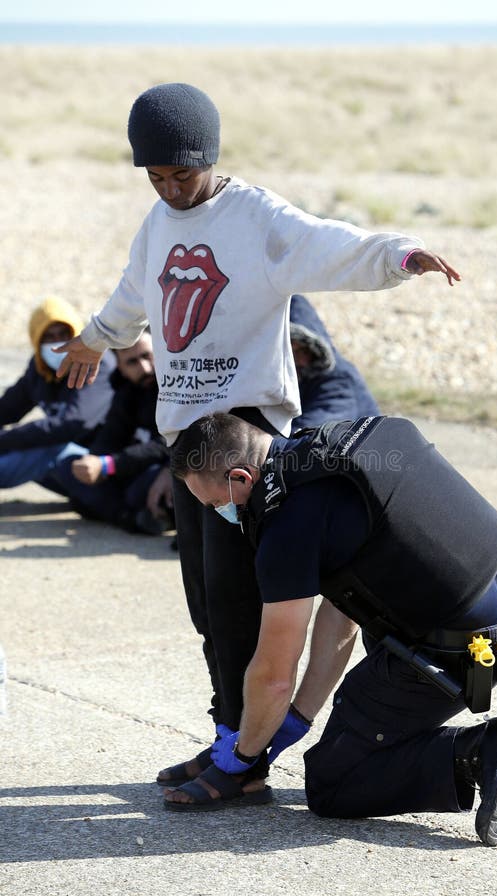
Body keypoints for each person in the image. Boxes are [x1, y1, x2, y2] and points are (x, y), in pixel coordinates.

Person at [54, 82, 461, 798]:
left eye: (182, 174)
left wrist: (401, 254)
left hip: (246, 441)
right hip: (188, 443)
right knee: (209, 606)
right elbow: (132, 296)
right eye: (156, 177)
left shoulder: (255, 216)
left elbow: (329, 244)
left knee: (243, 601)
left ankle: (244, 765)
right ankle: (226, 738)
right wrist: (93, 338)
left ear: (209, 157)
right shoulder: (156, 223)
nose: (172, 189)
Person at [167, 412, 497, 846]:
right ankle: (399, 733)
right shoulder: (338, 446)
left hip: (467, 649)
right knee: (372, 667)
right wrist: (297, 720)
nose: (220, 514)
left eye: (215, 504)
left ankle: (481, 748)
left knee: (331, 782)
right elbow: (345, 614)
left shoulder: (287, 525)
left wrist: (242, 758)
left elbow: (274, 674)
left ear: (241, 477)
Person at [55, 330, 172, 534]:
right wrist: (94, 463)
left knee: (134, 492)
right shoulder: (125, 393)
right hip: (128, 468)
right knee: (69, 466)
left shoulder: (175, 389)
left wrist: (106, 465)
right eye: (132, 362)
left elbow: (165, 444)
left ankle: (121, 513)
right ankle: (131, 517)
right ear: (121, 368)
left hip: (166, 469)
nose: (144, 368)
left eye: (147, 356)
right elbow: (111, 436)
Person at [0, 296, 114, 493]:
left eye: (64, 334)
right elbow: (7, 408)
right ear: (36, 340)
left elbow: (73, 423)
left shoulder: (97, 365)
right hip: (70, 466)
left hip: (104, 460)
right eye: (48, 337)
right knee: (30, 442)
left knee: (48, 445)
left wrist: (5, 439)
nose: (57, 344)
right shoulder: (40, 368)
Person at [289, 294, 380, 429]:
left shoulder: (339, 383)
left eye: (304, 351)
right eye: (292, 353)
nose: (301, 361)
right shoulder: (293, 380)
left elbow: (308, 439)